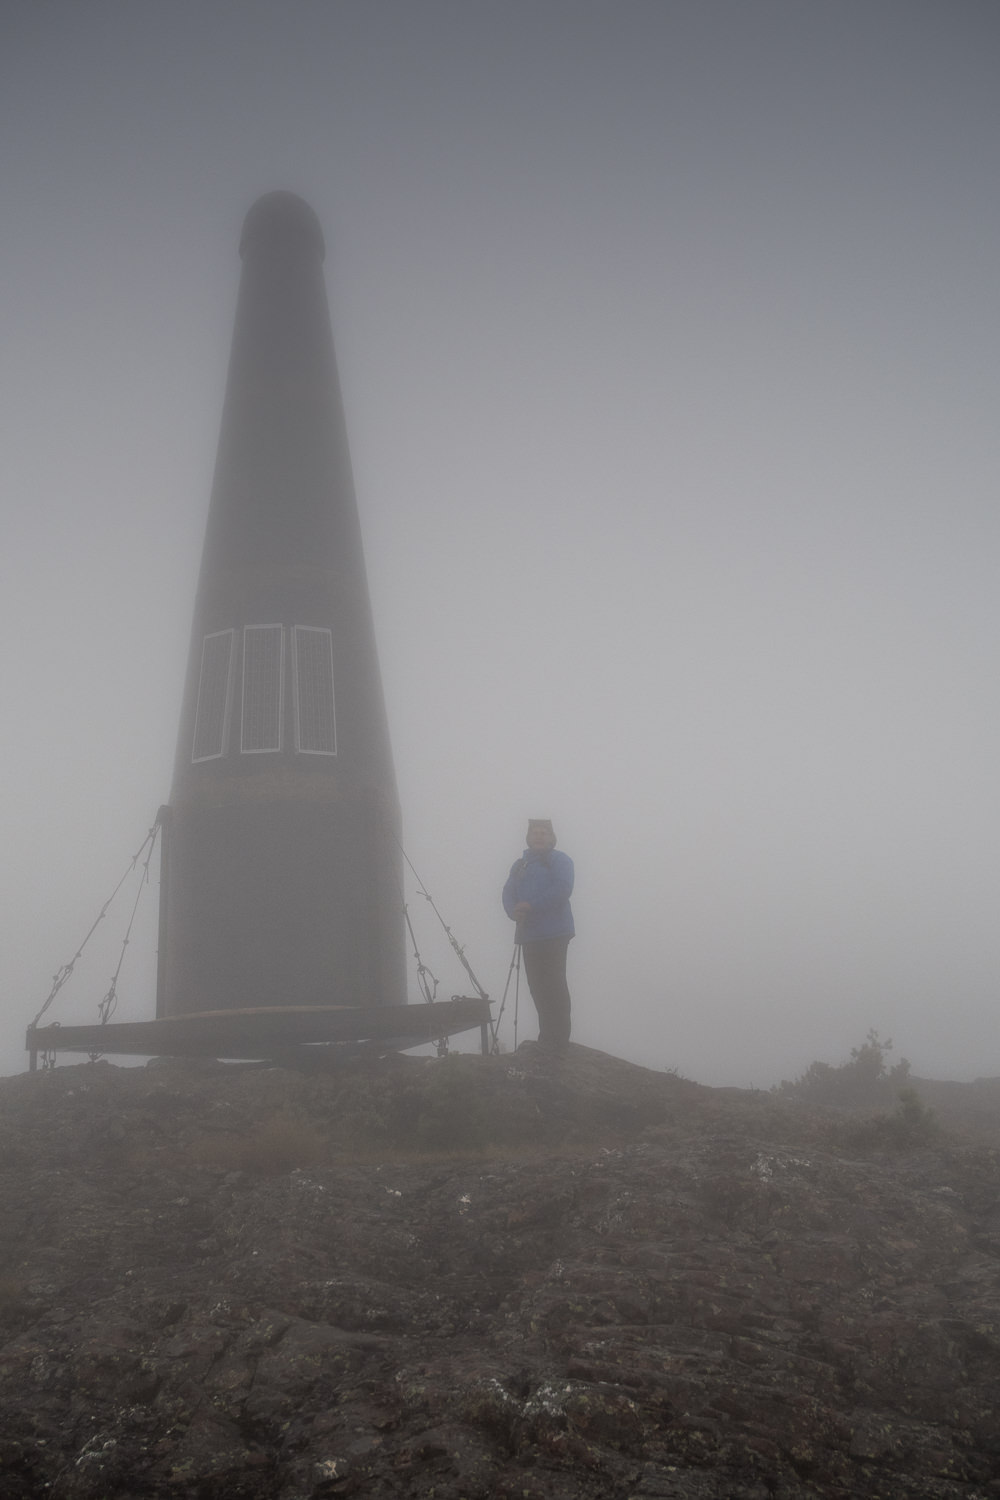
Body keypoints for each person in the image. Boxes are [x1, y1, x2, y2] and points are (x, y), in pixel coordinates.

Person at [502, 819, 574, 1051]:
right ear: (528, 838)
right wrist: (513, 910)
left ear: (552, 838)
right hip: (530, 934)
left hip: (554, 932)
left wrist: (530, 906)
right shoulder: (519, 865)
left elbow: (563, 889)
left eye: (544, 833)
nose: (540, 836)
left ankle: (559, 1039)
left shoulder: (559, 860)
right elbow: (508, 891)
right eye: (535, 833)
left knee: (554, 984)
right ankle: (548, 1036)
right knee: (537, 986)